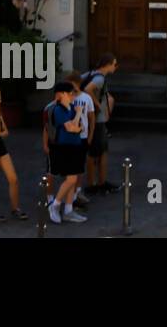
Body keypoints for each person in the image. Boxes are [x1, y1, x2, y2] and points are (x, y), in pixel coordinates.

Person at [0, 88, 27, 220]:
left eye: (0, 99)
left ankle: (15, 208)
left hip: (0, 146)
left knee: (13, 178)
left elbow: (5, 132)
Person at [46, 81, 88, 224]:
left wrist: (76, 122)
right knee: (70, 179)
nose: (73, 96)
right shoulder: (58, 110)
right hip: (63, 148)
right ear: (62, 94)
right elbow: (71, 128)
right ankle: (55, 205)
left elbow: (79, 128)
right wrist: (78, 114)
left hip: (75, 146)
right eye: (71, 93)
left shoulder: (72, 108)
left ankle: (68, 211)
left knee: (73, 179)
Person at [83, 54, 119, 194]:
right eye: (114, 64)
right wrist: (97, 105)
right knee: (95, 152)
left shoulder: (90, 74)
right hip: (97, 121)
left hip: (94, 119)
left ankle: (101, 182)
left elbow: (75, 84)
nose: (116, 67)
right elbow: (88, 89)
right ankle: (93, 184)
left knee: (101, 151)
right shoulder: (99, 78)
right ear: (108, 65)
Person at [65, 71, 96, 207]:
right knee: (71, 166)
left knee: (80, 166)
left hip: (82, 136)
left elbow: (91, 118)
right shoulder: (67, 97)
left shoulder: (86, 98)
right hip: (69, 136)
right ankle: (70, 192)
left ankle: (77, 191)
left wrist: (90, 135)